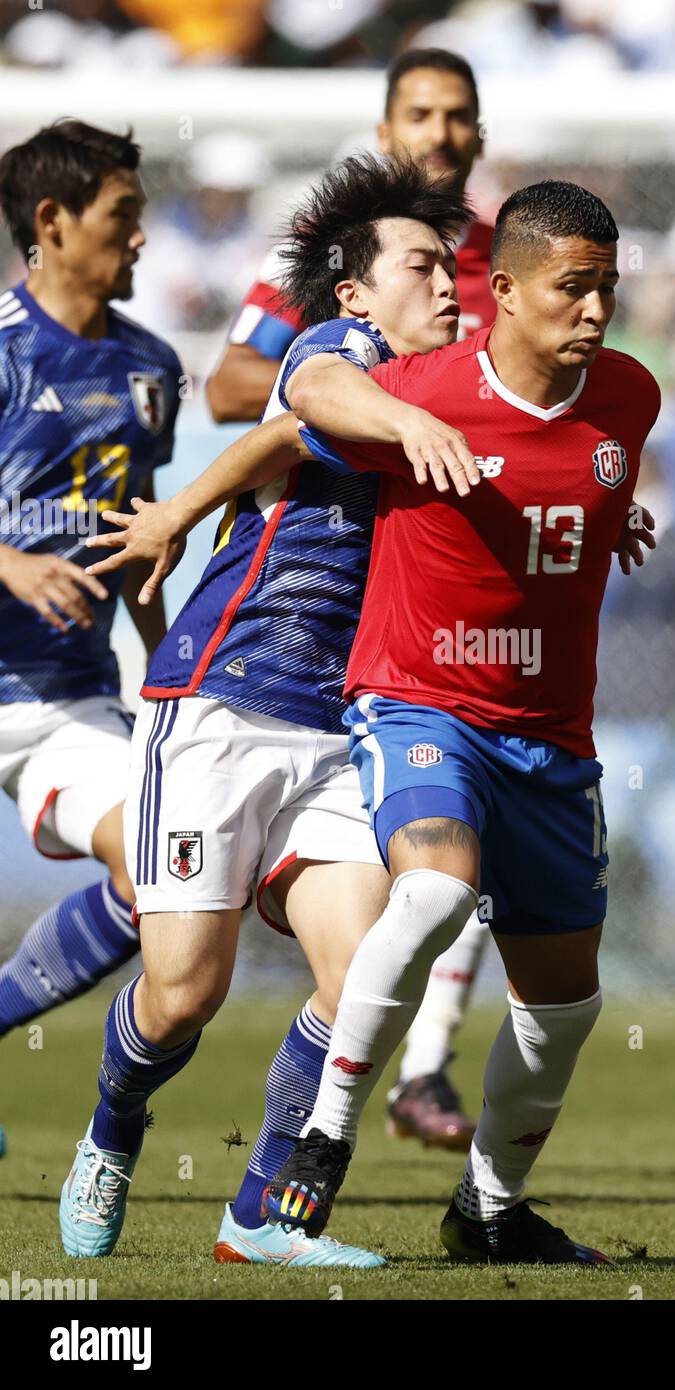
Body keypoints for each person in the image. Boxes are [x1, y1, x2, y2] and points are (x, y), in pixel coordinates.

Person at [58, 155, 477, 1269]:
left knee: (367, 977)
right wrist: (187, 512)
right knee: (185, 990)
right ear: (354, 291)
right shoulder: (340, 354)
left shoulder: (454, 392)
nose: (447, 286)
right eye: (421, 266)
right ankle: (112, 1130)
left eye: (450, 268)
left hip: (343, 734)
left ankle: (260, 1212)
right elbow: (304, 410)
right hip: (223, 710)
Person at [247, 179, 663, 1263]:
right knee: (434, 886)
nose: (593, 310)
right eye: (572, 288)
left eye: (606, 289)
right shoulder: (419, 387)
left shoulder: (627, 396)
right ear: (506, 290)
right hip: (419, 698)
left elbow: (569, 485)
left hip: (551, 736)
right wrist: (402, 417)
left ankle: (487, 1209)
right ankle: (322, 1141)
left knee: (563, 1004)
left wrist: (603, 523)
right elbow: (307, 380)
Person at [206, 47, 497, 1151]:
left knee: (460, 834)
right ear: (384, 125)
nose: (439, 131)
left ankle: (418, 1067)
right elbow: (241, 383)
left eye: (457, 115)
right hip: (316, 581)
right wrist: (384, 394)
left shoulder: (493, 263)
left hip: (446, 572)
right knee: (178, 946)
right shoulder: (355, 266)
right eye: (418, 112)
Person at [0, 121, 181, 1159]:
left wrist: (169, 661)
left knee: (159, 874)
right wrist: (11, 562)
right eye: (124, 217)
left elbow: (142, 526)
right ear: (52, 222)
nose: (143, 239)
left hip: (64, 698)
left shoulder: (150, 368)